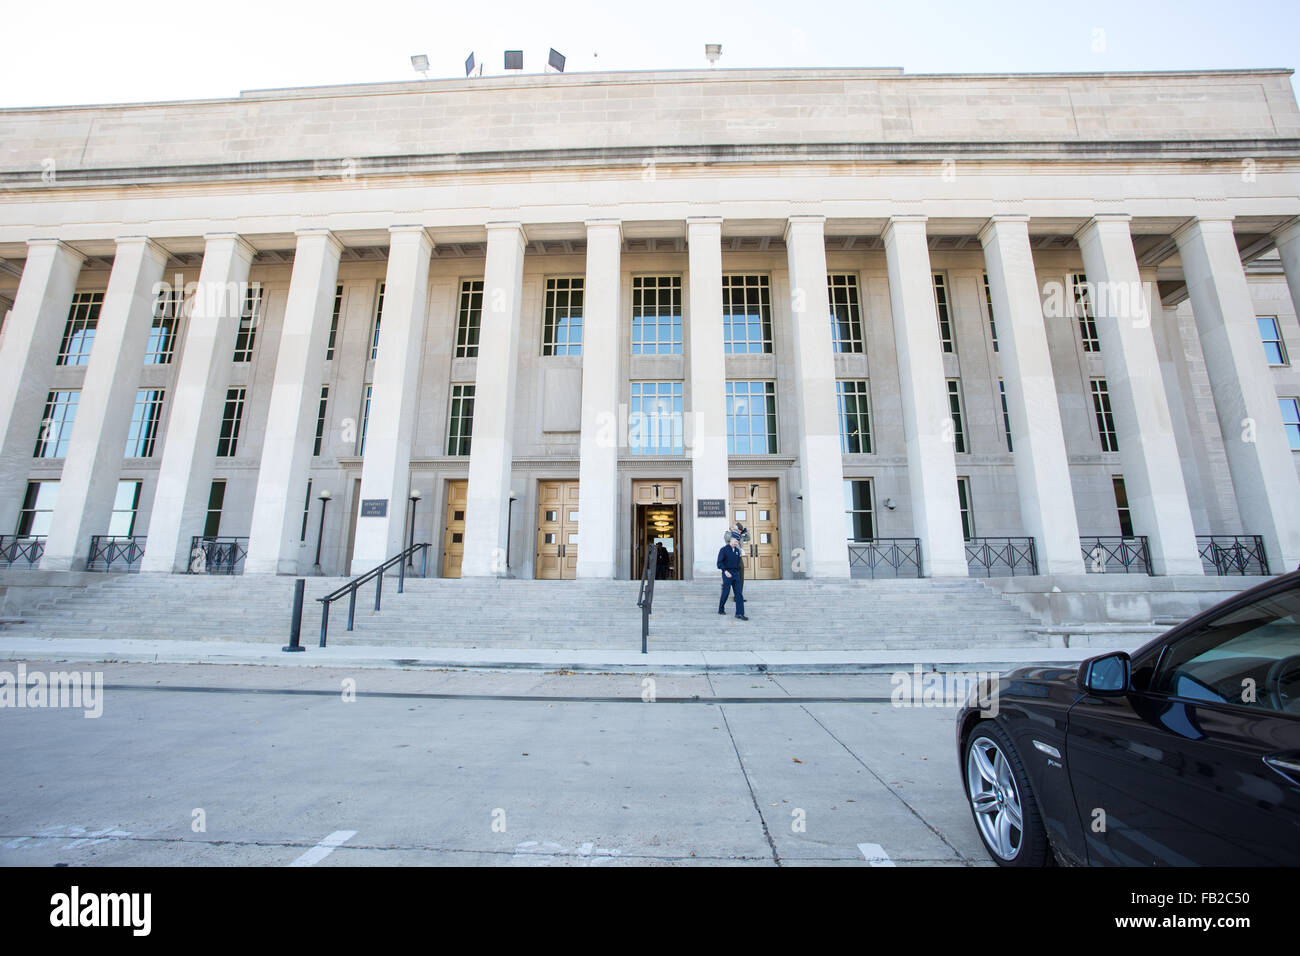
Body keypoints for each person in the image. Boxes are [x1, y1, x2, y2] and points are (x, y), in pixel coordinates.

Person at [717, 532, 748, 620]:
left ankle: (740, 613)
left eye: (737, 542)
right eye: (734, 541)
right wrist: (725, 571)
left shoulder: (738, 551)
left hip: (735, 574)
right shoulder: (723, 550)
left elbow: (738, 563)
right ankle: (721, 608)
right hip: (727, 573)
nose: (735, 543)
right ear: (730, 540)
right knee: (726, 592)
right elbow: (719, 563)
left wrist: (737, 573)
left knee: (739, 594)